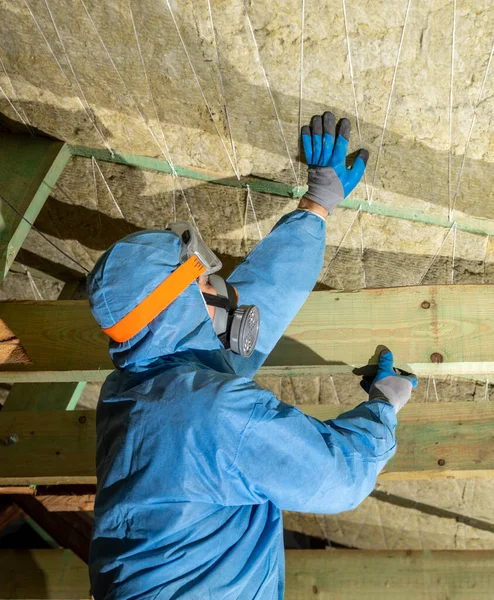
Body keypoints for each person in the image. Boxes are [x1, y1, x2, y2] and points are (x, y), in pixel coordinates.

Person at [87, 112, 417, 599]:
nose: (220, 286)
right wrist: (380, 413)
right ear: (179, 309)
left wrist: (315, 207)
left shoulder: (143, 387)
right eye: (203, 282)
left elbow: (258, 301)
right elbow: (338, 477)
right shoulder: (202, 408)